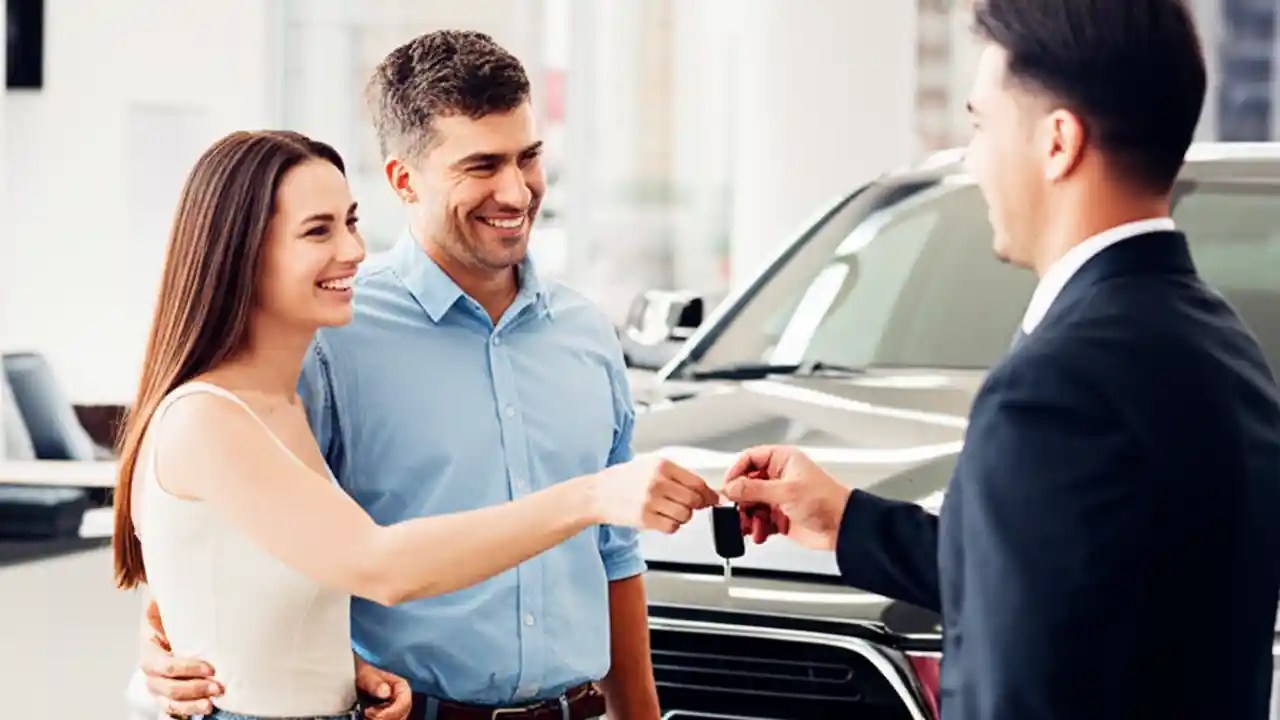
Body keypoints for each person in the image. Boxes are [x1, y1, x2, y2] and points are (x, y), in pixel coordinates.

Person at [721, 1, 1280, 719]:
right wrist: (845, 521)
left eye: (981, 125)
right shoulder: (1222, 348)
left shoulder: (1055, 389)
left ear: (1057, 143)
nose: (972, 158)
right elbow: (1071, 576)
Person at [136, 31, 709, 720]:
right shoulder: (325, 340)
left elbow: (616, 557)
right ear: (405, 180)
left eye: (528, 157)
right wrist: (172, 640)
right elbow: (254, 549)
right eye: (481, 164)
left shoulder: (586, 334)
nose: (515, 189)